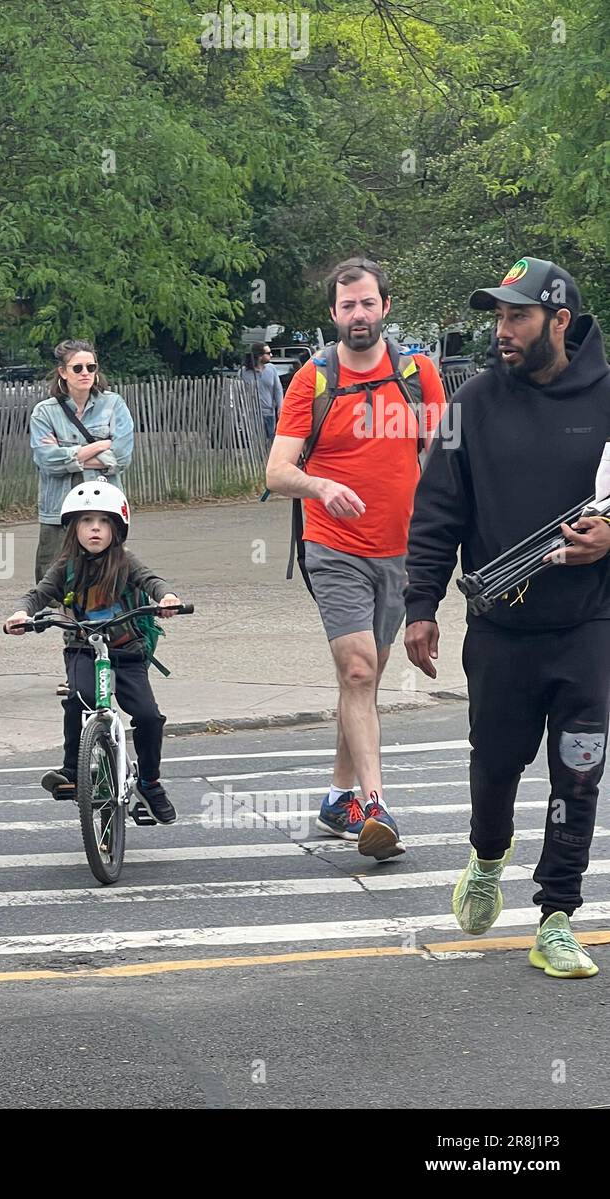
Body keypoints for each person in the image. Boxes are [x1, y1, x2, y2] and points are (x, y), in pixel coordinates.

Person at [405, 256, 609, 978]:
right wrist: (420, 606)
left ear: (560, 320)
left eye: (516, 315)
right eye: (497, 316)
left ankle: (556, 915)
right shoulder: (472, 405)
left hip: (588, 628)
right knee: (495, 766)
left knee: (578, 775)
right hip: (500, 627)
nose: (502, 330)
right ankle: (488, 854)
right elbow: (437, 511)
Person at [264, 258, 446, 859]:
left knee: (359, 684)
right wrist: (321, 487)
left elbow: (442, 463)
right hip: (333, 547)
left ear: (385, 308)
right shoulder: (313, 380)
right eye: (347, 306)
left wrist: (444, 539)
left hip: (401, 551)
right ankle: (375, 807)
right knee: (362, 671)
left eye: (367, 304)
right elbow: (276, 470)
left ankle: (338, 796)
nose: (358, 315)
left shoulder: (419, 375)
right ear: (333, 314)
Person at [4, 482, 183, 826]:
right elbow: (37, 595)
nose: (95, 528)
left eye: (103, 521)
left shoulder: (126, 562)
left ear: (118, 528)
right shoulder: (65, 567)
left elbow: (152, 581)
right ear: (74, 529)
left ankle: (150, 782)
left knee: (148, 716)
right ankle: (72, 768)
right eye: (86, 521)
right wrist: (21, 614)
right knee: (79, 698)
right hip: (83, 651)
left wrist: (167, 598)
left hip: (126, 653)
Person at [30, 339, 135, 585]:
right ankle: (68, 623)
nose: (85, 373)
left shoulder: (113, 404)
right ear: (63, 372)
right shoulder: (44, 412)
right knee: (55, 580)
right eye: (77, 368)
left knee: (106, 577)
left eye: (91, 367)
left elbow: (121, 457)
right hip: (59, 509)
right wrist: (99, 446)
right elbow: (47, 460)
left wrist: (72, 454)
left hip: (104, 505)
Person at [241, 341, 284, 444]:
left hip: (269, 412)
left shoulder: (271, 369)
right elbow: (240, 393)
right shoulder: (244, 372)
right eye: (268, 353)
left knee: (271, 439)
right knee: (257, 440)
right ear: (260, 356)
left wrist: (280, 407)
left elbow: (278, 389)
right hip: (253, 413)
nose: (271, 355)